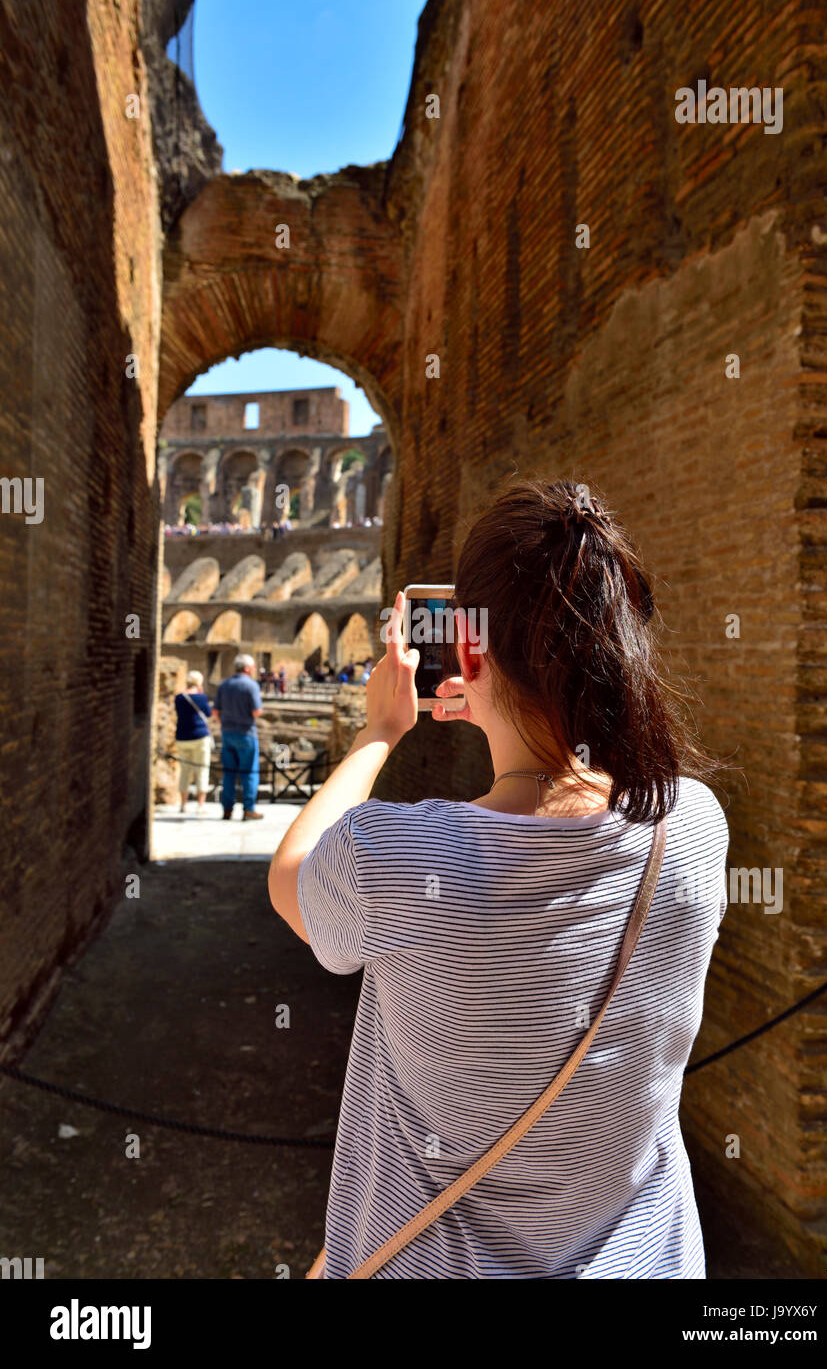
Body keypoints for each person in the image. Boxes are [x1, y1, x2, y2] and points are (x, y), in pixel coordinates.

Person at [268, 478, 729, 1280]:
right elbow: (586, 786)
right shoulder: (690, 827)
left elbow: (289, 875)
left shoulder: (393, 858)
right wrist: (518, 704)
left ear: (468, 648)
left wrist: (380, 733)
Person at [214, 654, 264, 821]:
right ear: (247, 668)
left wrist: (224, 723)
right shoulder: (251, 685)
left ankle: (227, 809)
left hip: (227, 733)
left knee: (229, 773)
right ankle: (248, 808)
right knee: (249, 772)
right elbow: (256, 711)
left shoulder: (225, 685)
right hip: (246, 733)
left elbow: (215, 711)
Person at [173, 670, 212, 816]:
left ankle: (183, 804)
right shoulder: (201, 697)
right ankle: (200, 805)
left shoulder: (179, 698)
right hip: (200, 737)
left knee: (185, 771)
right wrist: (200, 692)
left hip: (182, 736)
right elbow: (207, 713)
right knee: (201, 770)